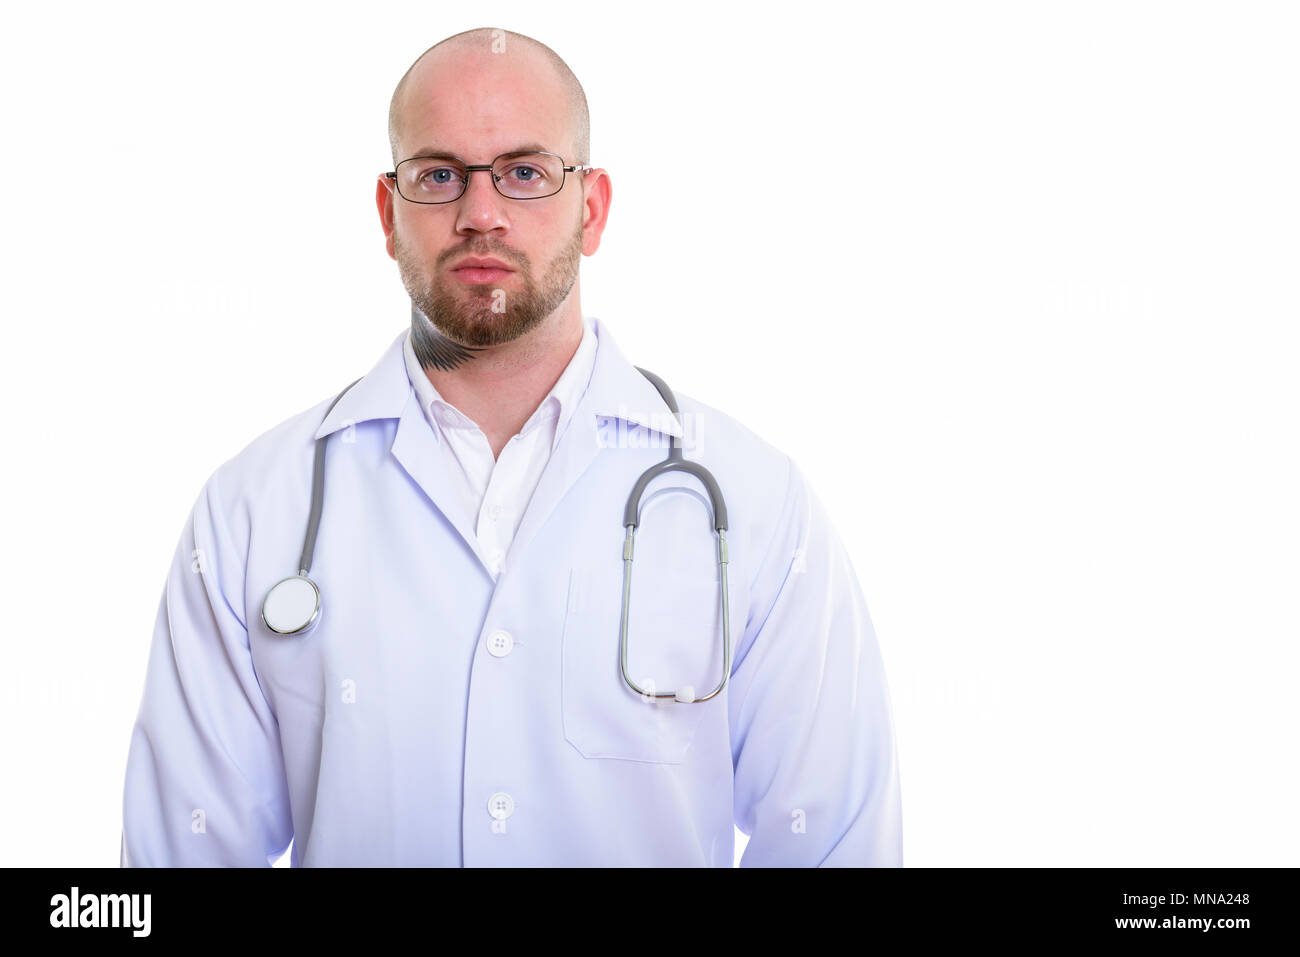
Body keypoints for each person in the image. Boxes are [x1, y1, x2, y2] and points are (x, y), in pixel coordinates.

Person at [120, 26, 902, 867]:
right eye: (439, 175)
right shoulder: (251, 511)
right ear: (388, 215)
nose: (480, 213)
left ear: (592, 208)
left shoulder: (755, 503)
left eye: (525, 172)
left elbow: (835, 842)